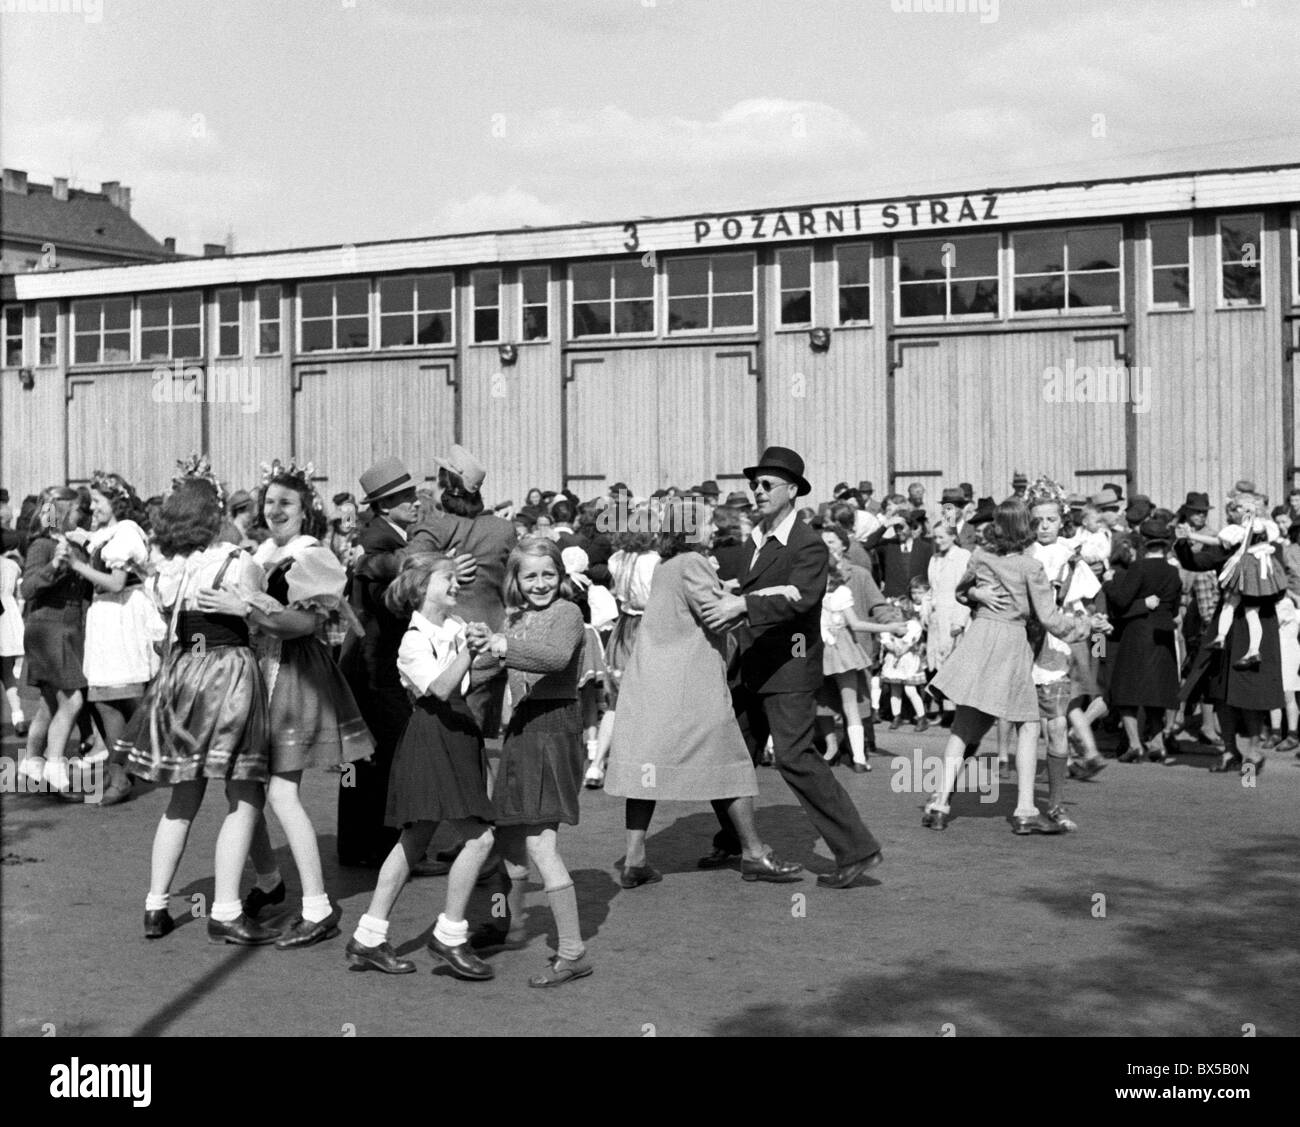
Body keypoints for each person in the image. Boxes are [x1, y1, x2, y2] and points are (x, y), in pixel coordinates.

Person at [699, 446, 884, 890]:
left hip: (791, 668)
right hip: (752, 667)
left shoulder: (808, 545)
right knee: (726, 752)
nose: (757, 492)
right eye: (754, 484)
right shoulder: (756, 540)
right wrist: (730, 587)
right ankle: (736, 840)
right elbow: (756, 587)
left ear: (793, 491)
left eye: (767, 485)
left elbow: (799, 598)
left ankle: (857, 849)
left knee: (795, 757)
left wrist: (743, 601)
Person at [604, 500, 803, 886]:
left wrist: (726, 588)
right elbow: (716, 614)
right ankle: (754, 853)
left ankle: (634, 860)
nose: (714, 530)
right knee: (732, 762)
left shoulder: (667, 565)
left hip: (651, 680)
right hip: (689, 685)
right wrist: (763, 601)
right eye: (708, 524)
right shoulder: (694, 563)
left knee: (647, 771)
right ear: (691, 530)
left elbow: (692, 601)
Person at [123, 470, 279, 945]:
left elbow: (157, 635)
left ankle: (155, 905)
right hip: (228, 672)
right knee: (245, 792)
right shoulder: (239, 561)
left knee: (182, 796)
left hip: (181, 672)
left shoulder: (168, 571)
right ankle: (228, 909)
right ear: (214, 516)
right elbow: (267, 616)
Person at [239, 461, 376, 948]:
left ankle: (318, 907)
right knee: (242, 789)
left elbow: (303, 625)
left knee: (279, 792)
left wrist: (247, 609)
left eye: (286, 503)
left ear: (305, 511)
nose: (275, 510)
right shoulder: (263, 550)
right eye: (270, 501)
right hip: (256, 670)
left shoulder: (310, 554)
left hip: (292, 673)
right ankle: (270, 881)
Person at [344, 554, 499, 979]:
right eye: (447, 578)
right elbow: (443, 686)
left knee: (413, 840)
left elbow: (469, 677)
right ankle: (449, 936)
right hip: (433, 736)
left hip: (456, 732)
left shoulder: (452, 628)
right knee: (480, 840)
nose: (455, 585)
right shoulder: (412, 640)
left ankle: (369, 937)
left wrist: (487, 647)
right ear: (420, 584)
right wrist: (471, 651)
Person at [922, 500, 1107, 834]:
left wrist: (978, 593)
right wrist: (1088, 627)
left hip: (979, 640)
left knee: (962, 728)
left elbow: (960, 592)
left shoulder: (981, 556)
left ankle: (938, 804)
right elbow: (1050, 619)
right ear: (1027, 529)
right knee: (1028, 724)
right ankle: (1024, 810)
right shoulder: (1030, 566)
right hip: (1010, 642)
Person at [467, 538, 592, 986]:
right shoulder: (515, 619)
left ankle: (574, 950)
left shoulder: (567, 614)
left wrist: (500, 645)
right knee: (509, 839)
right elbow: (486, 671)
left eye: (547, 574)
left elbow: (555, 658)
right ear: (515, 580)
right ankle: (510, 924)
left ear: (560, 576)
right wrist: (453, 662)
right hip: (522, 730)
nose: (540, 584)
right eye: (530, 576)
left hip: (555, 729)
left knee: (541, 844)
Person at [338, 457, 423, 868]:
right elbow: (388, 598)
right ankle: (391, 847)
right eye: (405, 496)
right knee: (394, 752)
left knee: (362, 757)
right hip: (376, 666)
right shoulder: (382, 542)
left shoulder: (379, 535)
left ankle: (356, 844)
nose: (415, 500)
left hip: (363, 662)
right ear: (386, 505)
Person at [406, 445, 516, 737]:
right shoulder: (502, 530)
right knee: (480, 739)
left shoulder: (435, 528)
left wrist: (445, 566)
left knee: (448, 739)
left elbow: (407, 569)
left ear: (445, 486)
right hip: (491, 641)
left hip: (444, 644)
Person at [1174, 518, 1283, 777]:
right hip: (1226, 624)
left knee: (1250, 690)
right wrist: (1183, 542)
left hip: (1256, 624)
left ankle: (1254, 751)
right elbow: (1196, 563)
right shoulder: (1227, 547)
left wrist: (1252, 591)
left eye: (1244, 509)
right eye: (1234, 509)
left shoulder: (1269, 549)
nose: (1237, 514)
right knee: (1219, 688)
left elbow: (1278, 588)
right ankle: (1230, 750)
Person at [18, 488, 93, 794]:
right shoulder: (42, 543)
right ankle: (54, 763)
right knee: (73, 699)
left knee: (50, 704)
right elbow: (28, 588)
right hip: (49, 628)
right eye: (78, 511)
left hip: (68, 628)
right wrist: (55, 565)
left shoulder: (73, 543)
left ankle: (32, 760)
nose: (83, 516)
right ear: (62, 511)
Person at [1104, 518, 1184, 764]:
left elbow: (1120, 603)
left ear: (1144, 543)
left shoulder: (1138, 568)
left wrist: (1109, 583)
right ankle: (1158, 741)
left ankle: (1135, 744)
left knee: (1126, 691)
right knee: (1156, 691)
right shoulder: (1172, 571)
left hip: (1137, 633)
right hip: (1163, 634)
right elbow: (1172, 609)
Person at [925, 522, 971, 724]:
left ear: (953, 536)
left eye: (942, 537)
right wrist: (926, 611)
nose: (937, 541)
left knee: (956, 664)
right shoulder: (934, 558)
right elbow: (931, 588)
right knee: (940, 664)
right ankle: (947, 710)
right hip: (937, 616)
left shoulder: (962, 557)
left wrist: (959, 621)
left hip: (954, 615)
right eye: (935, 537)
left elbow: (965, 590)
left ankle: (961, 713)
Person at [880, 588, 928, 731]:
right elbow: (886, 639)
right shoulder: (889, 626)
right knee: (895, 689)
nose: (894, 615)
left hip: (908, 660)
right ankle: (897, 715)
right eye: (892, 613)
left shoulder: (913, 626)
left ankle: (922, 717)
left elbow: (908, 643)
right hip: (894, 659)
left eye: (897, 613)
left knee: (910, 689)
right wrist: (891, 646)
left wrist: (900, 648)